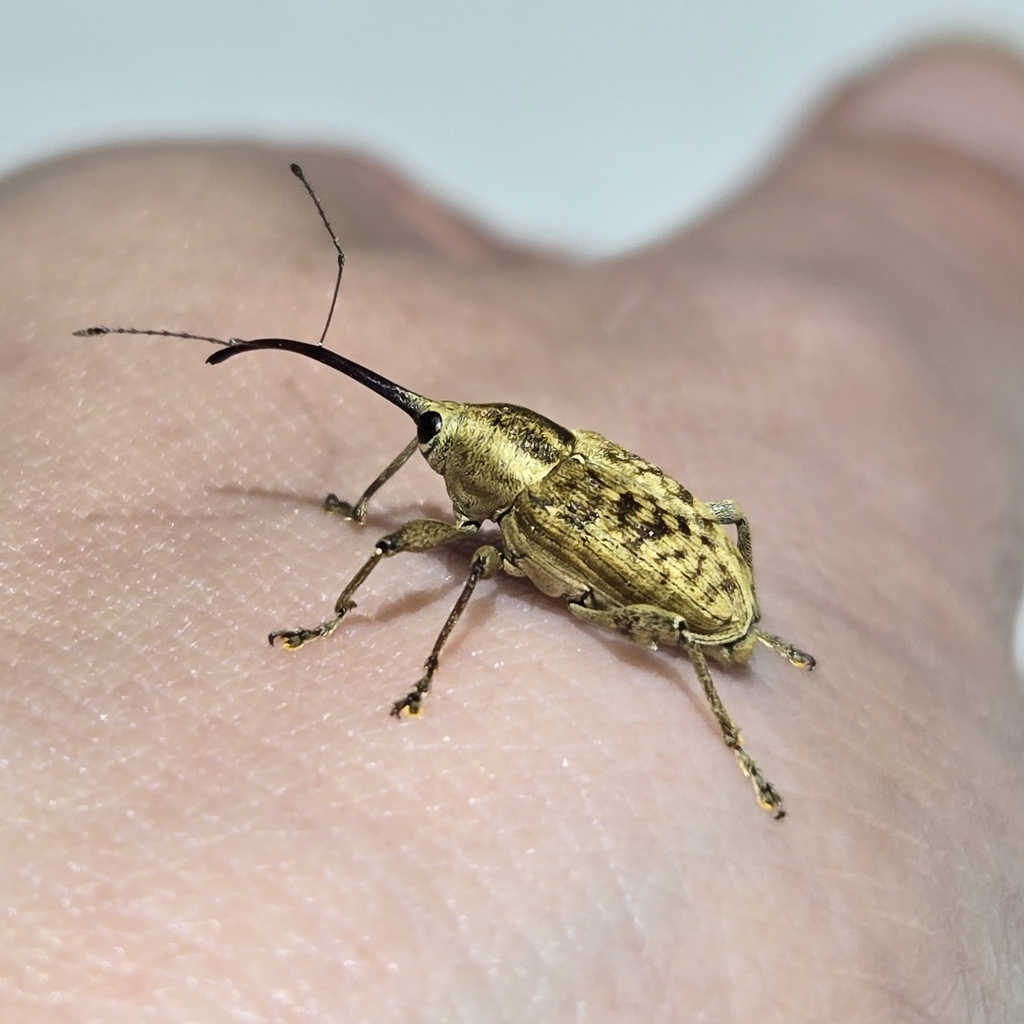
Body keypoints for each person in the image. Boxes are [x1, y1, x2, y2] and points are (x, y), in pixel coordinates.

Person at [1, 43, 1021, 1022]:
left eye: (441, 429)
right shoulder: (493, 455)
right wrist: (366, 502)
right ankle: (735, 632)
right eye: (434, 431)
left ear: (502, 451)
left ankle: (739, 745)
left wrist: (419, 668)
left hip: (679, 582)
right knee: (430, 531)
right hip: (608, 512)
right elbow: (425, 448)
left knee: (640, 623)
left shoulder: (526, 515)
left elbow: (553, 555)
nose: (426, 433)